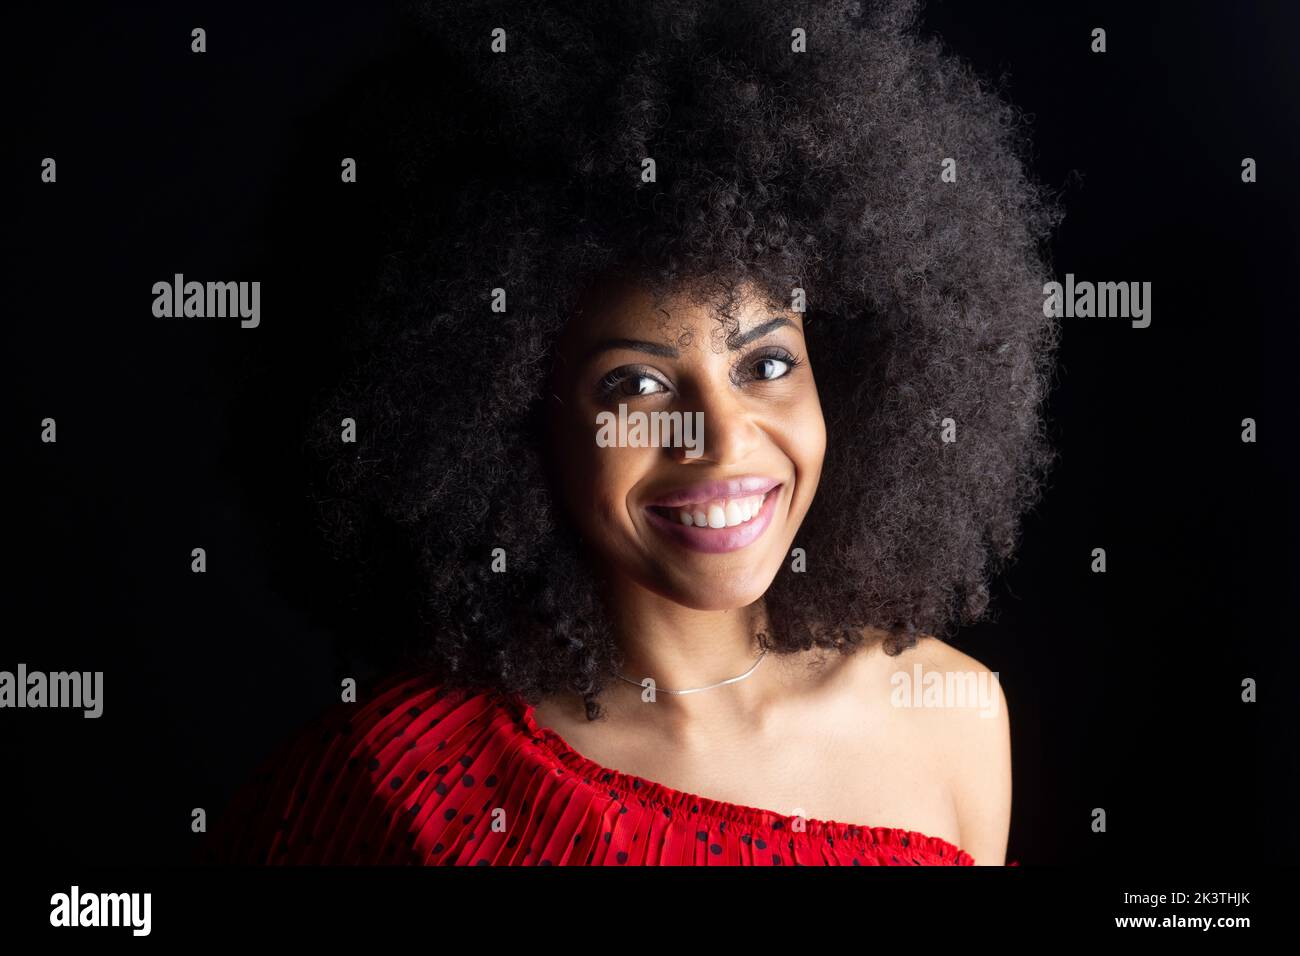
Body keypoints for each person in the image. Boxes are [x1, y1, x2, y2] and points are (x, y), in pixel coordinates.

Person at [202, 0, 1057, 866]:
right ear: (509, 419)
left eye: (764, 365)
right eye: (636, 384)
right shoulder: (405, 784)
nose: (720, 439)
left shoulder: (950, 712)